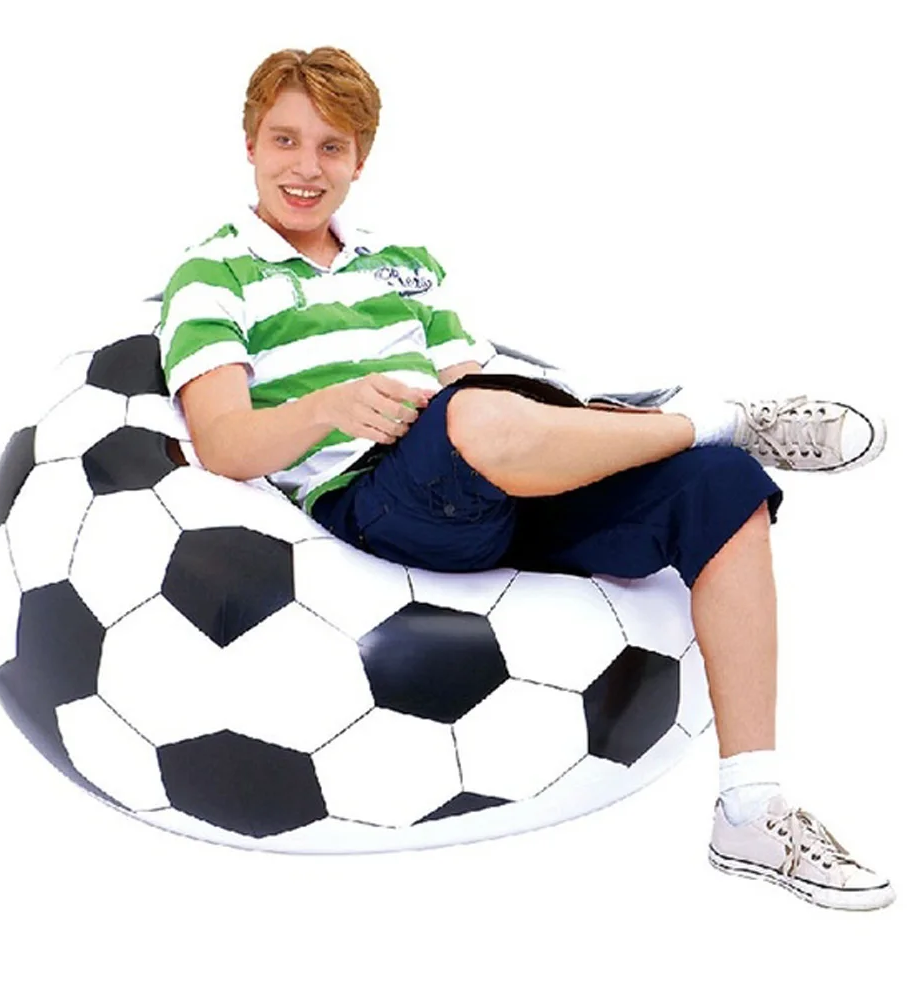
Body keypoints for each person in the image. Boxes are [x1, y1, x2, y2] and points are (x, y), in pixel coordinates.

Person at [157, 46, 894, 910]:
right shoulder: (213, 273)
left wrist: (538, 417)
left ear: (360, 159)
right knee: (473, 418)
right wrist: (330, 406)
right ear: (249, 144)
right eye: (285, 140)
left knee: (721, 486)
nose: (306, 167)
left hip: (483, 469)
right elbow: (223, 442)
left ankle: (748, 809)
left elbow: (472, 380)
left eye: (332, 147)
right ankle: (718, 416)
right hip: (378, 494)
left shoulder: (404, 261)